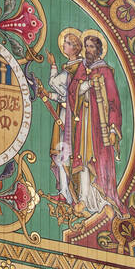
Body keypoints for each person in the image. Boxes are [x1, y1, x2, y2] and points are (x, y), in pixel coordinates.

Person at [68, 33, 126, 217]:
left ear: (99, 49)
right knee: (83, 159)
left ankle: (102, 201)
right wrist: (82, 87)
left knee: (99, 161)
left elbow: (114, 102)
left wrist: (112, 127)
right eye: (87, 46)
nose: (89, 50)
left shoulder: (105, 71)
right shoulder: (82, 67)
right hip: (84, 121)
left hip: (98, 126)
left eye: (92, 47)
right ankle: (84, 198)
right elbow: (72, 89)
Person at [46, 29, 83, 201]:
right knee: (61, 155)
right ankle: (64, 192)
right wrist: (49, 96)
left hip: (69, 117)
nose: (63, 45)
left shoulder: (73, 68)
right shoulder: (73, 68)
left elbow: (54, 83)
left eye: (67, 43)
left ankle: (68, 193)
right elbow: (64, 94)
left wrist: (52, 65)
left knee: (65, 155)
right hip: (64, 113)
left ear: (75, 48)